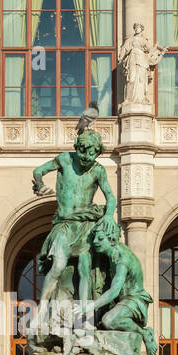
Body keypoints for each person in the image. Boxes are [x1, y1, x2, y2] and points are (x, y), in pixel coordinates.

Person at [31, 130, 119, 308]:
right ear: (76, 147)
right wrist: (40, 184)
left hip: (84, 225)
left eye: (92, 153)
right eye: (82, 151)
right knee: (58, 265)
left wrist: (109, 215)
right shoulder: (64, 160)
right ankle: (42, 308)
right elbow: (38, 171)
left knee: (85, 269)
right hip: (64, 224)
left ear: (98, 153)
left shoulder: (98, 170)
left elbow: (110, 197)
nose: (86, 156)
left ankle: (84, 317)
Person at [89, 225, 158, 355]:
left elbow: (114, 291)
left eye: (100, 238)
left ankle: (144, 333)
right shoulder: (111, 254)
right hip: (121, 300)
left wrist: (90, 306)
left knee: (109, 321)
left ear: (112, 239)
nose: (95, 241)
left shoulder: (123, 259)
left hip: (135, 299)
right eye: (95, 238)